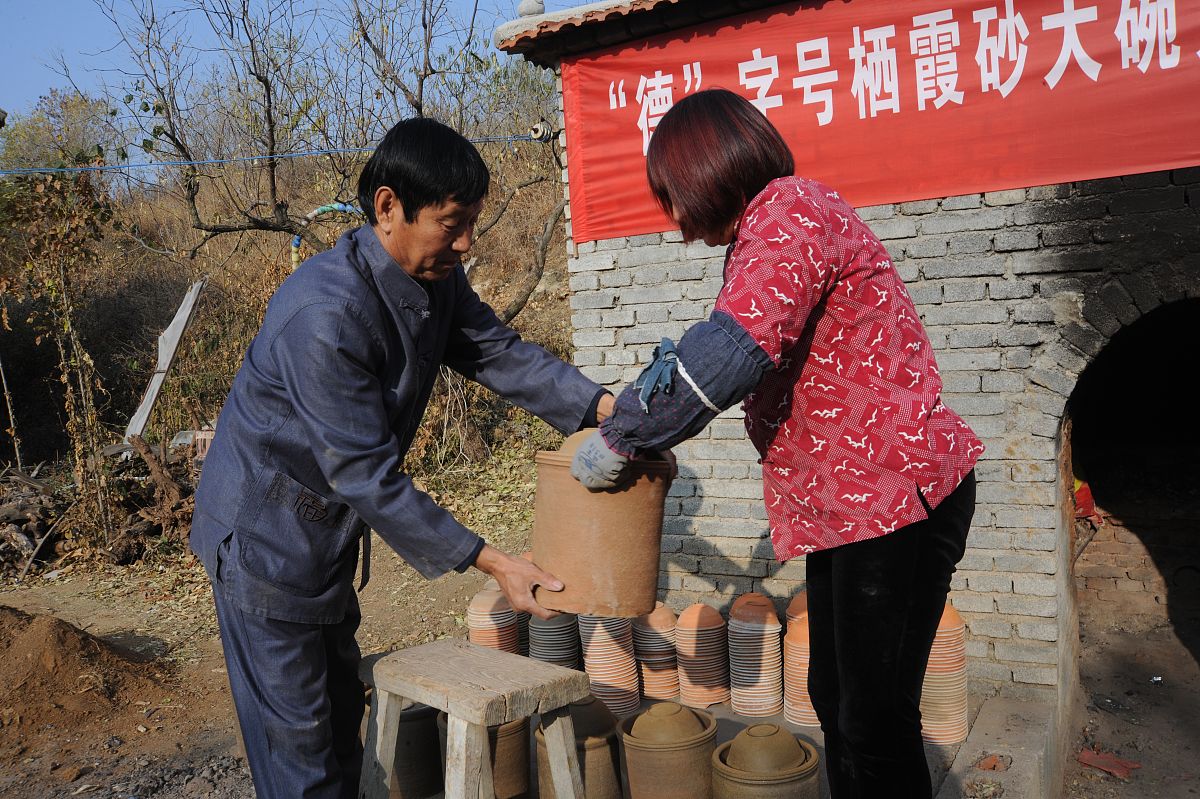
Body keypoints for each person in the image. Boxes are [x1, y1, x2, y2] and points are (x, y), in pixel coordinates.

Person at [570, 89, 982, 798]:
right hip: (855, 510)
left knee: (875, 720)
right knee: (835, 695)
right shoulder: (769, 227)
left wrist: (623, 434)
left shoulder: (790, 212)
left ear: (707, 171)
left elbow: (730, 351)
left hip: (895, 500)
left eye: (674, 195)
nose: (676, 220)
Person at [190, 117, 613, 799]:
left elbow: (496, 352)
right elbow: (365, 473)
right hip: (266, 540)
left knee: (336, 726)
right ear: (388, 207)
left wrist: (603, 407)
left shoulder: (434, 278)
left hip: (325, 534)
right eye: (452, 224)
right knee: (297, 754)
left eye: (472, 223)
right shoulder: (325, 314)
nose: (466, 242)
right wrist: (491, 560)